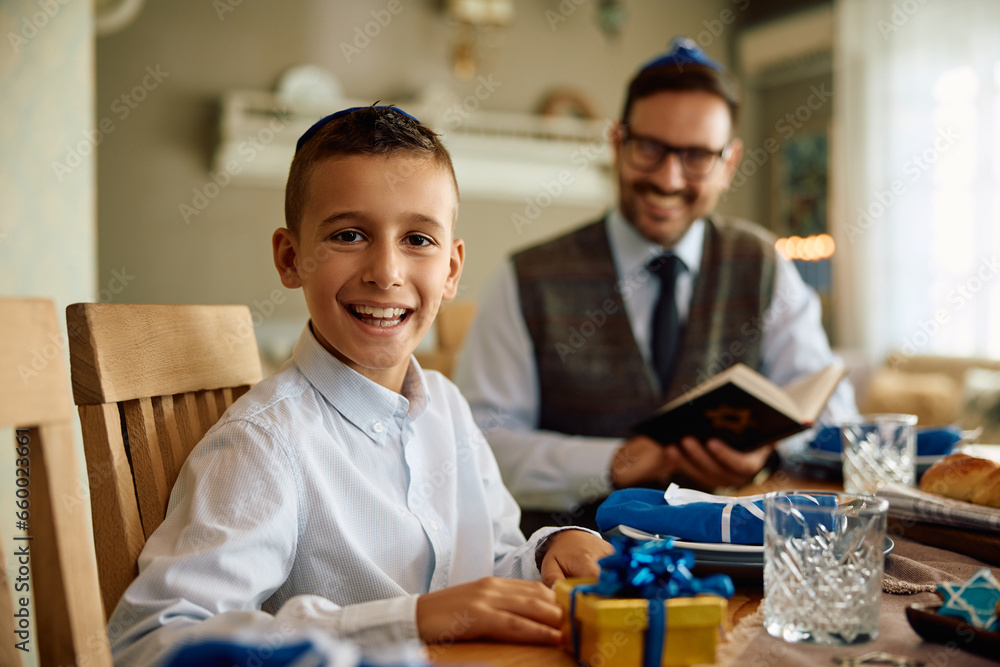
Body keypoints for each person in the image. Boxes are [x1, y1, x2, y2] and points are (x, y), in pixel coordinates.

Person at [109, 105, 612, 664]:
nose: (386, 271)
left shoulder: (447, 406)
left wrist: (548, 548)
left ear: (451, 269)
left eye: (418, 239)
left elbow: (491, 563)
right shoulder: (265, 443)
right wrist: (410, 619)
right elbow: (150, 638)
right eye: (349, 234)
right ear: (290, 257)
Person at [454, 38, 858, 534]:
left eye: (696, 157)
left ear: (729, 164)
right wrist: (616, 461)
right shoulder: (525, 277)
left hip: (731, 553)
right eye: (650, 149)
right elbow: (481, 442)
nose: (668, 179)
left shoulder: (763, 263)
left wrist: (768, 450)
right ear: (618, 142)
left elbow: (833, 412)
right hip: (574, 564)